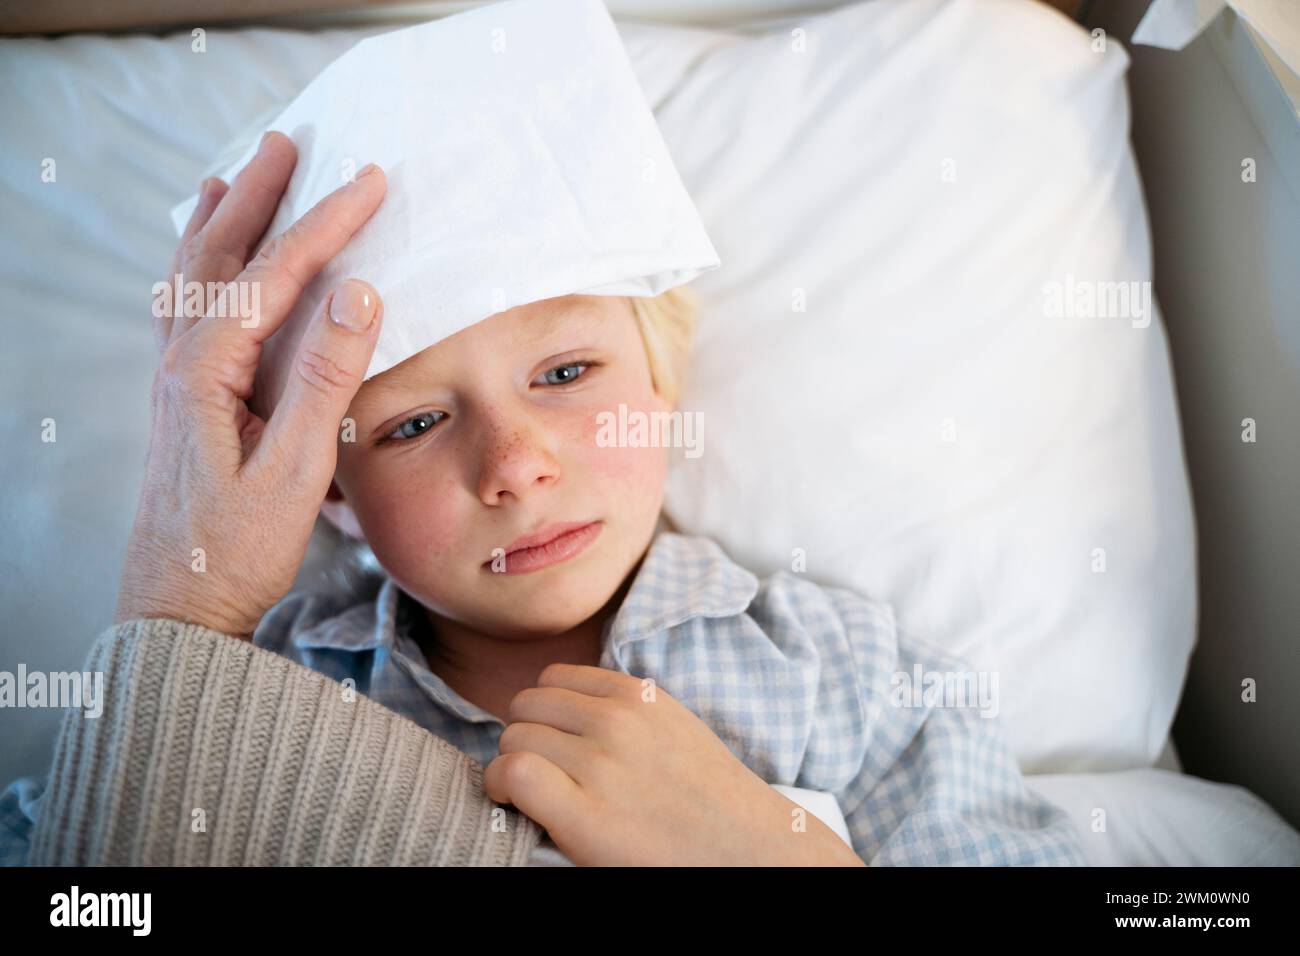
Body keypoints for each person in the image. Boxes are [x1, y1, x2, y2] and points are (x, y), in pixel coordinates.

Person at [3, 132, 1085, 866]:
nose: (514, 464)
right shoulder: (261, 687)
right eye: (413, 423)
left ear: (661, 381)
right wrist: (179, 624)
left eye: (566, 374)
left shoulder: (845, 675)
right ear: (322, 488)